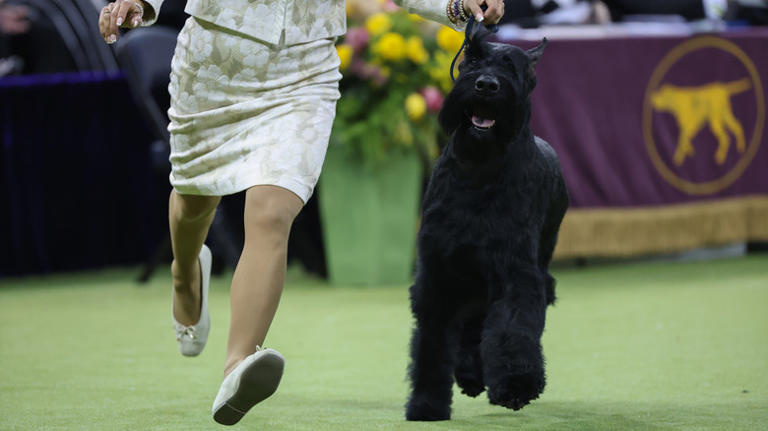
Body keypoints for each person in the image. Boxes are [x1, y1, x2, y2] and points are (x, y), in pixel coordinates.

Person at [98, 0, 504, 425]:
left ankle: (237, 365)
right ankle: (185, 275)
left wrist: (456, 4)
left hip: (303, 74)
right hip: (213, 66)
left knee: (272, 213)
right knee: (193, 200)